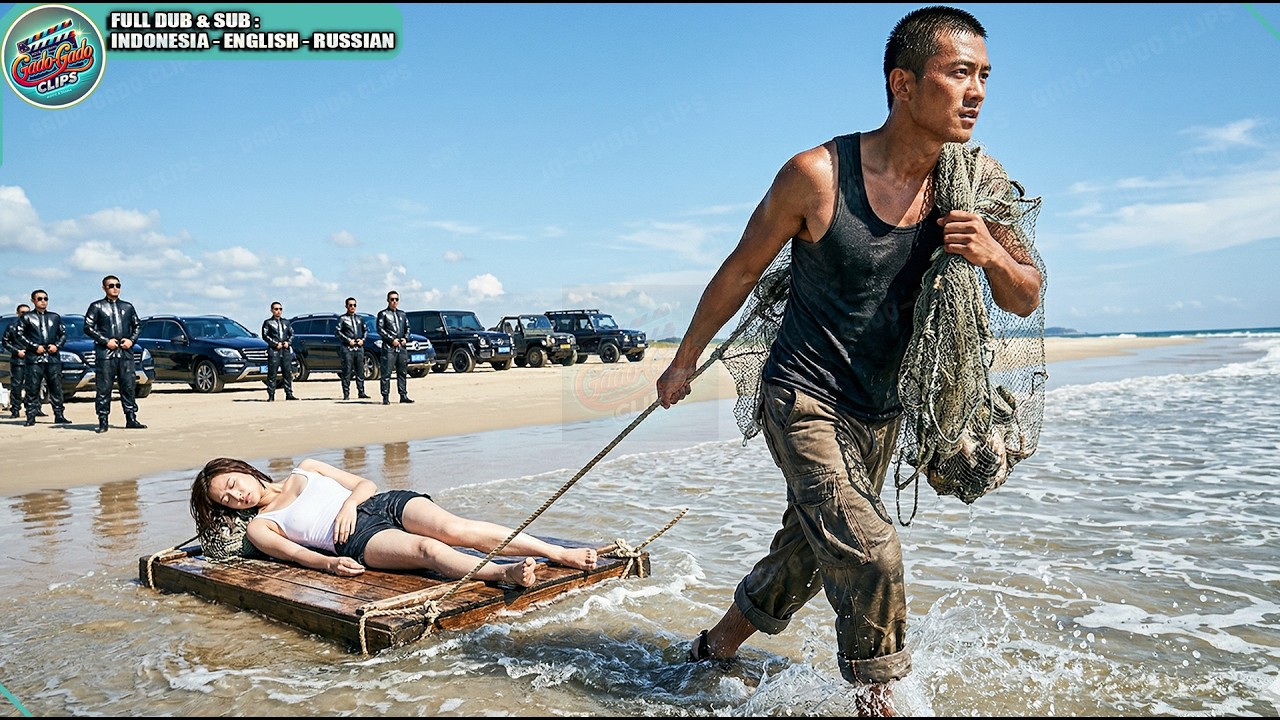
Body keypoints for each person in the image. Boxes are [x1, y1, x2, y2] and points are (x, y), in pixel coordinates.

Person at [654, 6, 1042, 715]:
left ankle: (712, 651)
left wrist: (989, 252)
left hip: (883, 407)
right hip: (803, 394)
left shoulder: (977, 179)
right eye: (959, 73)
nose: (977, 91)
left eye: (984, 75)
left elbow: (1026, 295)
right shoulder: (817, 175)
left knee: (806, 553)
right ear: (903, 82)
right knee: (870, 550)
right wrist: (683, 363)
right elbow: (739, 272)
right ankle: (884, 704)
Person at [189, 457, 598, 585]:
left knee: (456, 529)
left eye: (232, 483)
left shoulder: (307, 467)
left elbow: (365, 483)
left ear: (240, 469)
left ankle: (557, 552)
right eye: (226, 499)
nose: (236, 495)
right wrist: (330, 562)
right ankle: (499, 575)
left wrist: (349, 503)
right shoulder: (262, 525)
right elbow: (296, 555)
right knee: (428, 550)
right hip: (354, 538)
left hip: (380, 503)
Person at [84, 275, 146, 433]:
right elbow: (88, 327)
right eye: (111, 285)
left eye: (117, 285)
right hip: (106, 353)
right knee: (104, 388)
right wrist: (105, 341)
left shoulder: (127, 307)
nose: (115, 288)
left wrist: (131, 340)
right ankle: (103, 420)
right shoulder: (97, 306)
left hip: (125, 352)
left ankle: (131, 418)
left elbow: (137, 325)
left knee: (128, 386)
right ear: (104, 288)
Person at [17, 289, 70, 427]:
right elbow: (19, 335)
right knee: (32, 387)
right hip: (34, 358)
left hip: (52, 358)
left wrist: (57, 345)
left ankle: (59, 415)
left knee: (56, 387)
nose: (43, 301)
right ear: (33, 301)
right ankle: (31, 415)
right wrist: (34, 347)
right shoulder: (27, 317)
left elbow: (63, 334)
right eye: (39, 299)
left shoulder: (54, 317)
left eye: (45, 299)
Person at [376, 290, 412, 405]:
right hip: (389, 348)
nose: (394, 302)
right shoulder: (383, 314)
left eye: (396, 299)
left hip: (401, 348)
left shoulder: (402, 314)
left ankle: (403, 395)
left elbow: (408, 328)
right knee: (386, 373)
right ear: (388, 300)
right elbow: (380, 329)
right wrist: (392, 340)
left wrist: (405, 338)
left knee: (402, 372)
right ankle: (385, 396)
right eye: (392, 299)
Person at [260, 301, 297, 402]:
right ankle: (271, 395)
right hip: (274, 351)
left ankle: (289, 393)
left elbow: (292, 334)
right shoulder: (268, 322)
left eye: (280, 309)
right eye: (276, 309)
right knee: (272, 373)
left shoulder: (286, 322)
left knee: (287, 372)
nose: (278, 311)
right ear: (272, 310)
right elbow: (265, 335)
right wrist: (275, 344)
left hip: (285, 350)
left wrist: (288, 343)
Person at [336, 297, 371, 401]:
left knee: (360, 370)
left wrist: (363, 340)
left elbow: (365, 330)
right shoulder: (342, 319)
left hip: (359, 348)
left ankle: (361, 391)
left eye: (354, 305)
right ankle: (346, 394)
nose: (352, 307)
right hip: (348, 348)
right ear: (346, 306)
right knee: (347, 371)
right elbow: (338, 332)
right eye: (350, 305)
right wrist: (348, 340)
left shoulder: (359, 318)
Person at [3, 303, 34, 419]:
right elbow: (6, 342)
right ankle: (15, 409)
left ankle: (34, 409)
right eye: (23, 312)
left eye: (27, 312)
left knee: (33, 386)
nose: (25, 315)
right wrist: (17, 351)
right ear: (18, 314)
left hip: (32, 360)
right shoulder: (12, 327)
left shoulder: (33, 327)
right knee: (16, 386)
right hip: (18, 361)